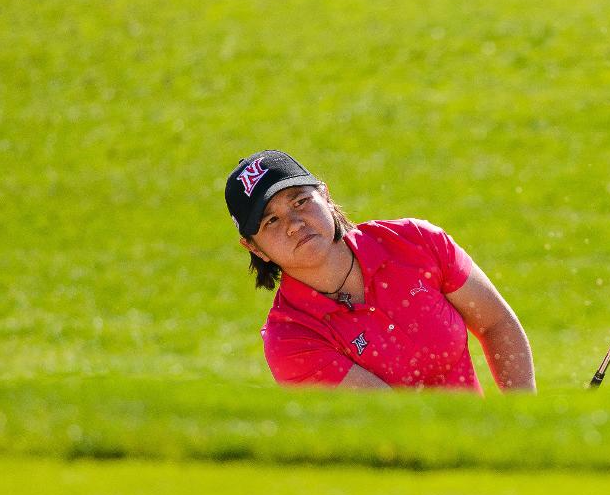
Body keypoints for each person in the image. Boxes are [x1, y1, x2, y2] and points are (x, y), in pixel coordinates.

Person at [224, 150, 535, 393]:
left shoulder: (415, 241)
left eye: (301, 201)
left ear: (326, 196)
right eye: (271, 222)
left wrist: (523, 421)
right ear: (255, 249)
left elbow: (496, 324)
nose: (294, 223)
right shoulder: (291, 338)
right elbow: (394, 419)